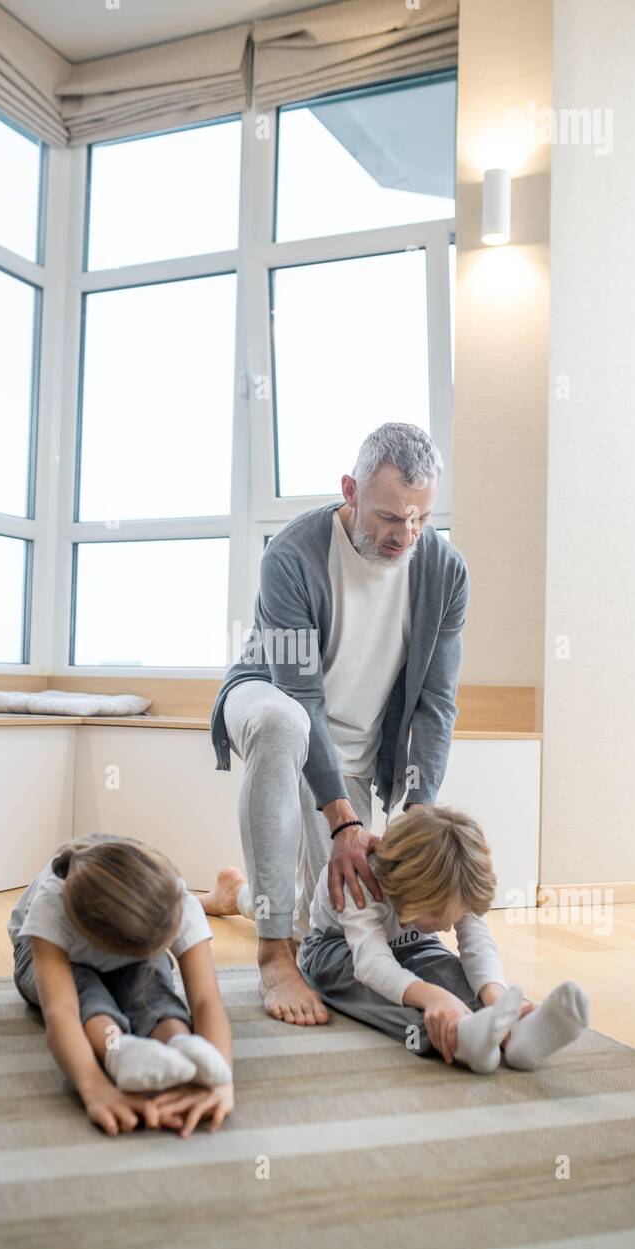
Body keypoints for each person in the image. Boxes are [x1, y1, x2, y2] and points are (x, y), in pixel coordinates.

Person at [209, 421, 467, 1025]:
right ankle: (273, 954)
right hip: (270, 698)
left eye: (420, 519)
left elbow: (436, 703)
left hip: (357, 747)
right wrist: (343, 820)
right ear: (350, 490)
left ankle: (236, 896)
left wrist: (416, 817)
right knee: (283, 724)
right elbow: (301, 696)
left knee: (331, 914)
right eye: (388, 517)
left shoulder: (445, 572)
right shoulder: (293, 556)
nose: (406, 536)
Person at [204, 806, 590, 1073]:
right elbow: (371, 963)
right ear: (408, 893)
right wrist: (433, 997)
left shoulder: (454, 876)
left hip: (408, 944)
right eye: (441, 919)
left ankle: (517, 1037)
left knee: (450, 972)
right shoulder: (362, 882)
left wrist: (496, 996)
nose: (447, 927)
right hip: (337, 949)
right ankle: (457, 1038)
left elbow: (476, 944)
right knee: (375, 992)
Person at [8, 832, 233, 1137]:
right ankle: (119, 1050)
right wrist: (95, 1087)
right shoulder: (53, 903)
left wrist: (221, 1081)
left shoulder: (173, 897)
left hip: (131, 940)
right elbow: (60, 1011)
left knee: (150, 978)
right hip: (46, 956)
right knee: (84, 987)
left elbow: (206, 999)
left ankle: (179, 1044)